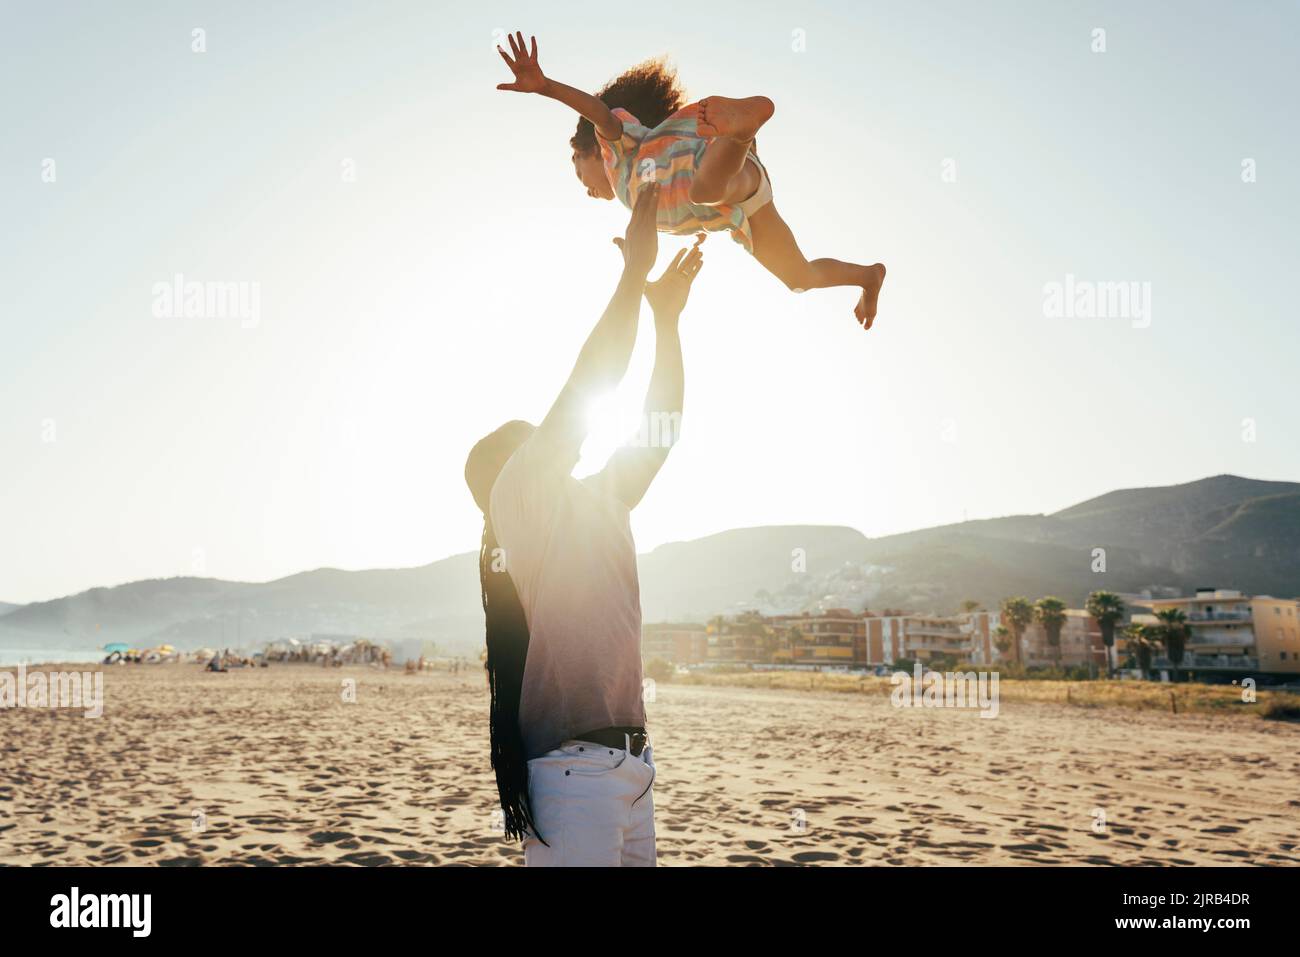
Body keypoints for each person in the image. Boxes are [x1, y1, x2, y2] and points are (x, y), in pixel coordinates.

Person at [464, 184, 702, 866]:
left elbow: (663, 427)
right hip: (575, 776)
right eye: (530, 435)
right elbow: (590, 378)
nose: (544, 433)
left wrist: (668, 319)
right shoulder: (520, 494)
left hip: (631, 768)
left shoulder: (600, 499)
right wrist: (632, 274)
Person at [495, 31, 886, 328]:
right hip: (742, 204)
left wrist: (547, 87)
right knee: (798, 278)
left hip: (719, 170)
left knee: (704, 189)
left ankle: (741, 131)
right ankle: (868, 277)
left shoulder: (619, 151)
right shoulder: (631, 197)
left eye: (581, 175)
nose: (589, 191)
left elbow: (599, 113)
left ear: (588, 150)